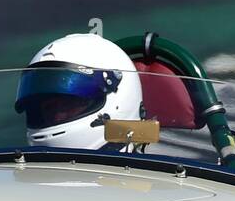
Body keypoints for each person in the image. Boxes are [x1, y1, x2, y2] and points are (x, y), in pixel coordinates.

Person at [14, 33, 144, 150]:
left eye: (68, 105)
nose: (57, 116)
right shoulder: (24, 171)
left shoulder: (154, 171)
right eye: (49, 108)